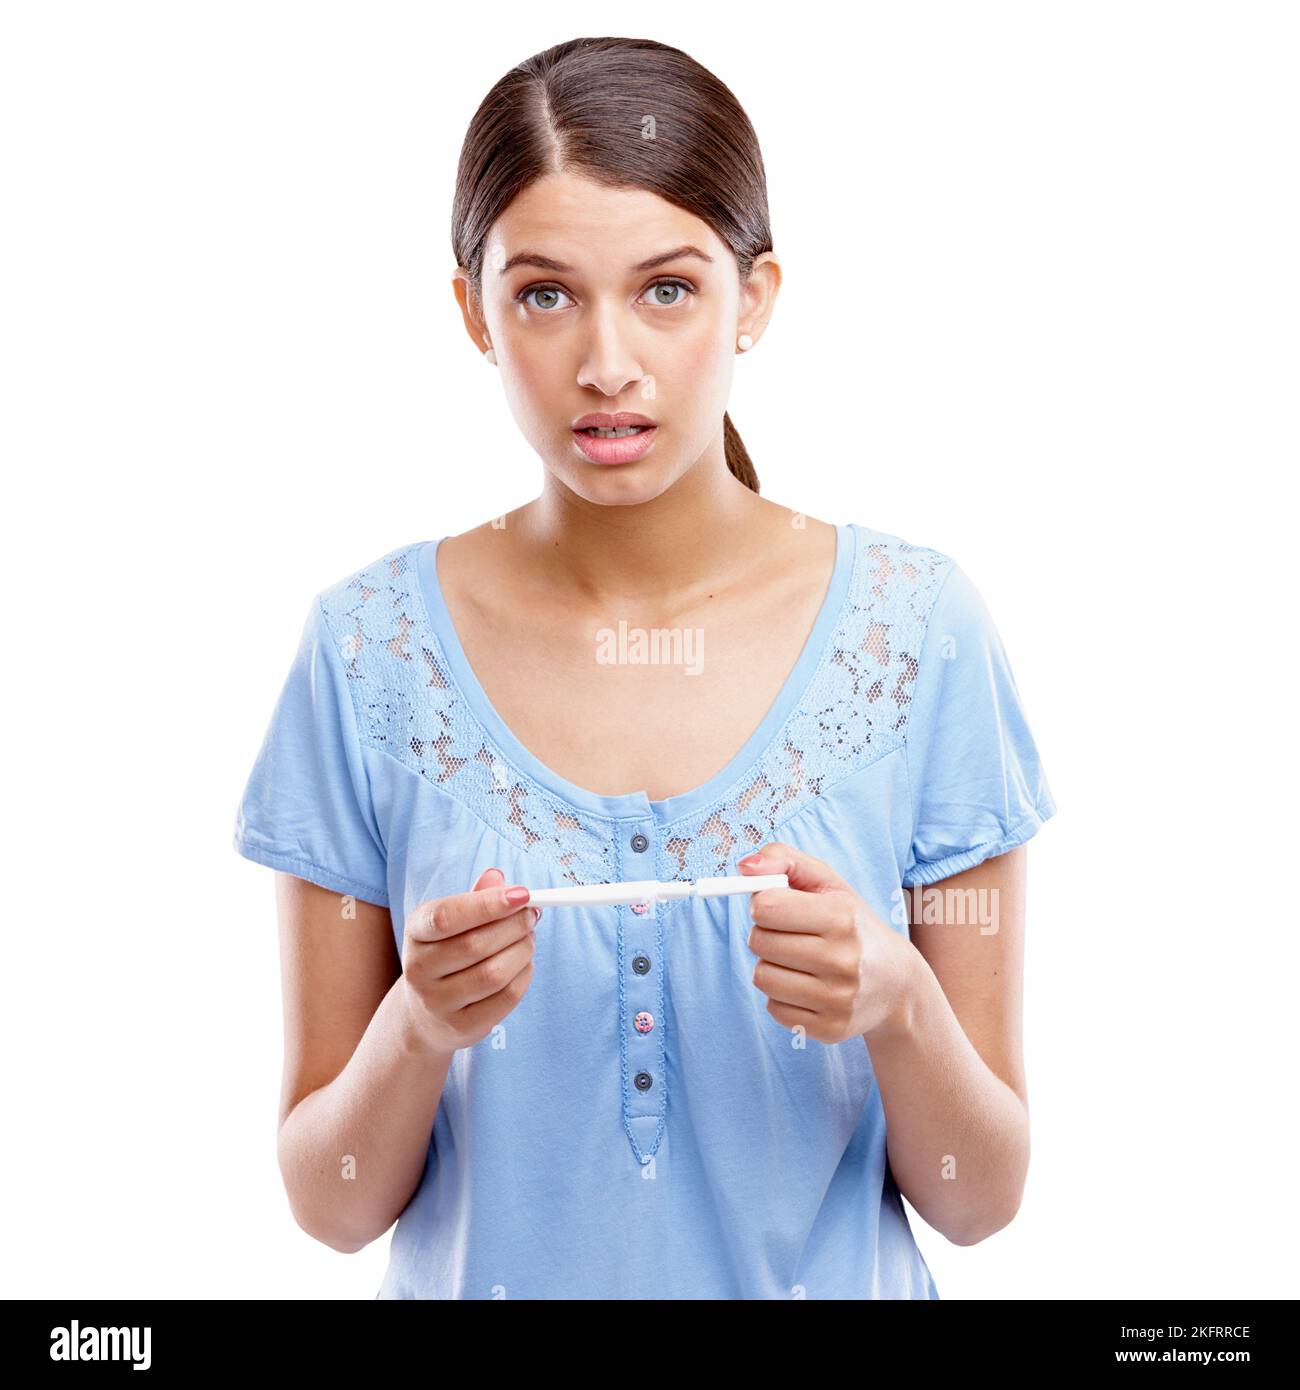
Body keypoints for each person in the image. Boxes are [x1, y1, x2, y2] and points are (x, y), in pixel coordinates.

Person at [232, 35, 1058, 1300]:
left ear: (757, 297)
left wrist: (898, 1004)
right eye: (545, 294)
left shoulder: (921, 631)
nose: (605, 363)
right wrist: (417, 1026)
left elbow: (982, 1197)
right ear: (473, 311)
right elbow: (330, 1206)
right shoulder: (364, 655)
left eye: (666, 289)